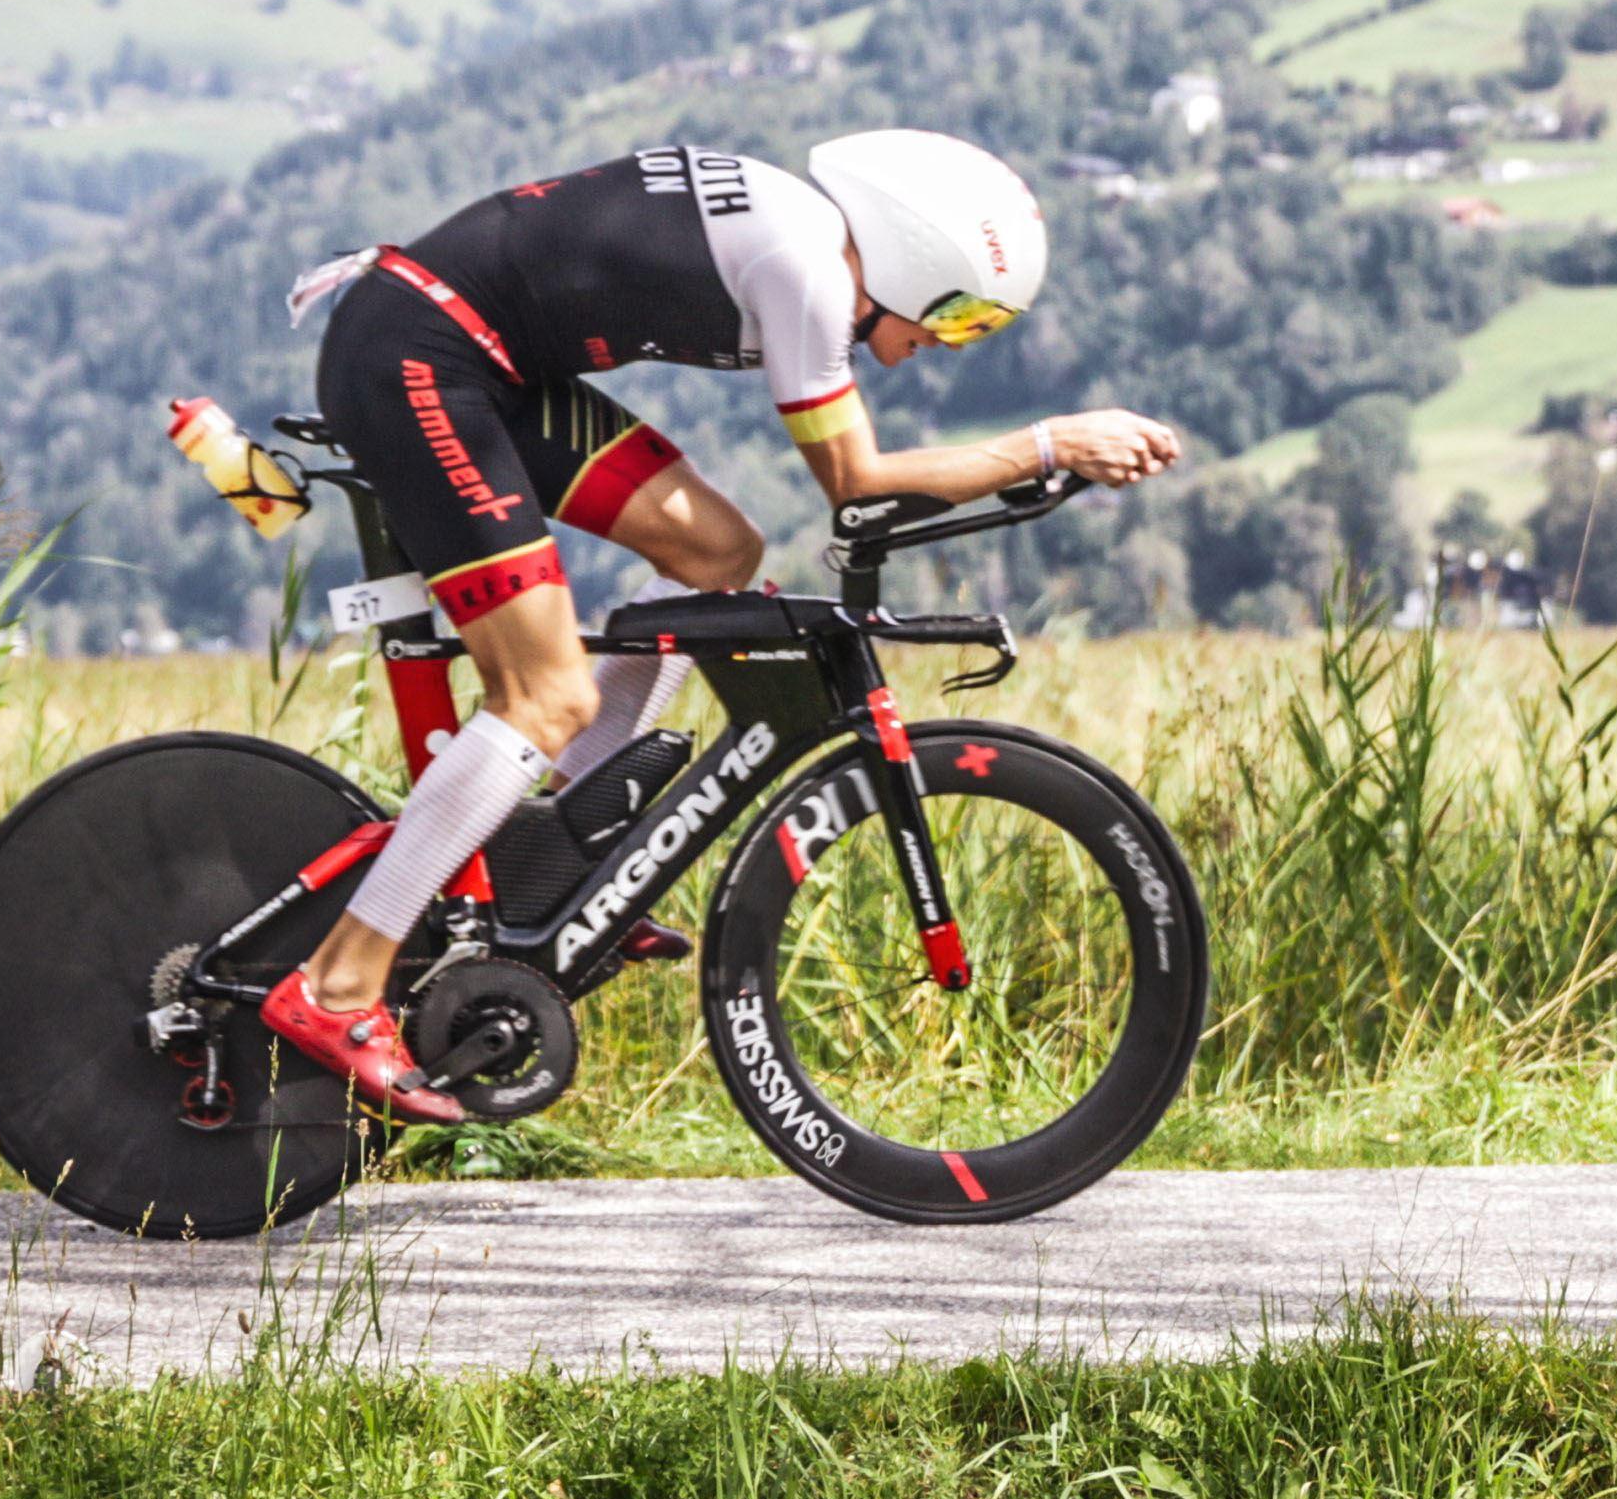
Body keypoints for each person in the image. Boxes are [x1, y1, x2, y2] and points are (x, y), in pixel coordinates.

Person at [260, 130, 1181, 1120]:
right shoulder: (811, 273)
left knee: (718, 558)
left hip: (478, 358)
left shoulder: (811, 245)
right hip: (417, 357)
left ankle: (552, 861)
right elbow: (856, 482)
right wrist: (1049, 442)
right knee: (546, 694)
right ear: (910, 251)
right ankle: (337, 983)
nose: (948, 340)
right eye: (958, 314)